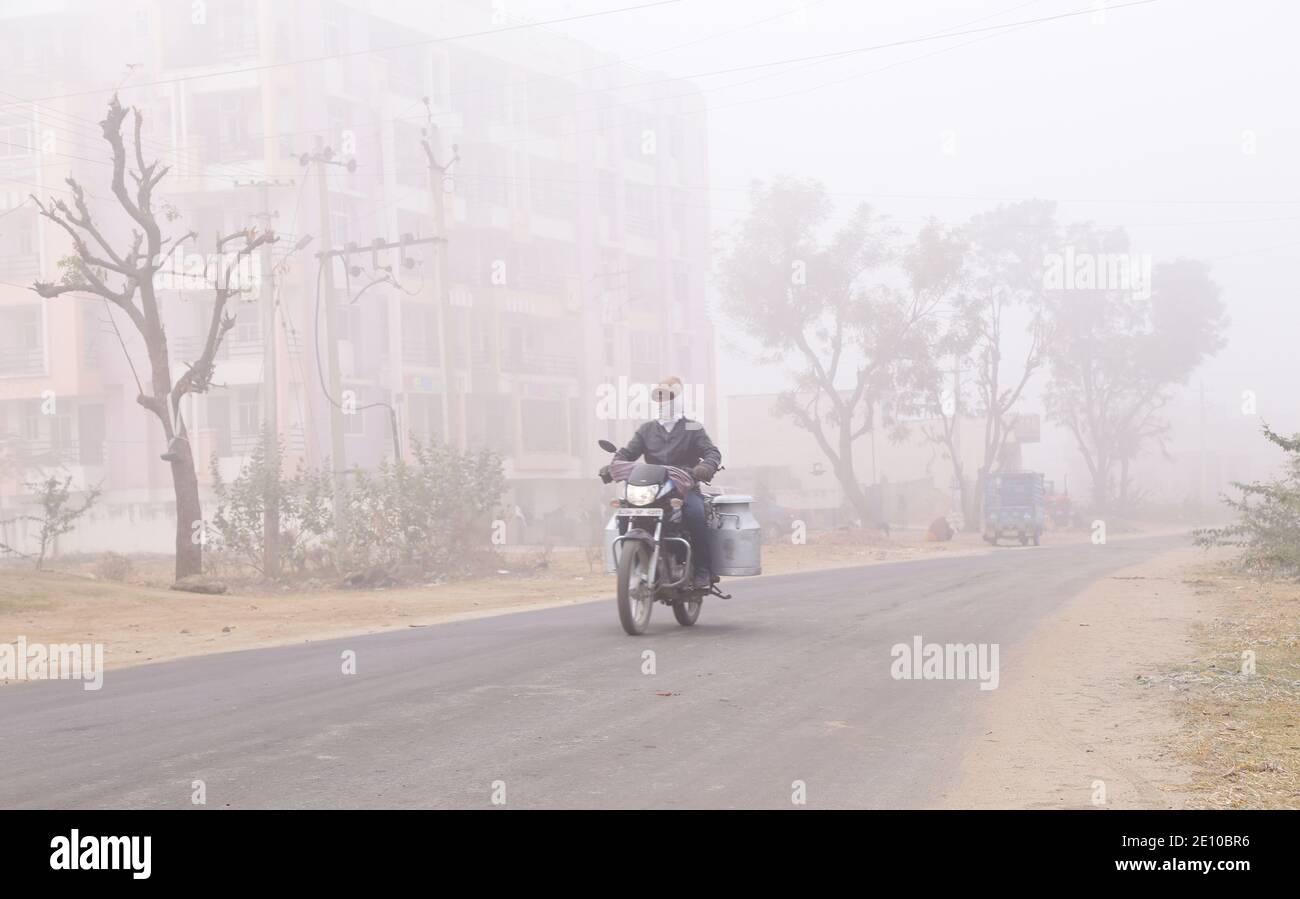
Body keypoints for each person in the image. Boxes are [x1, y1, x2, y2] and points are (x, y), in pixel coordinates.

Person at [600, 375, 721, 589]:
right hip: (653, 487)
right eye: (660, 397)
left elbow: (711, 452)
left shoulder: (693, 427)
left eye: (669, 397)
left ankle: (703, 571)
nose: (664, 401)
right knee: (625, 513)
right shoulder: (646, 429)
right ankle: (635, 565)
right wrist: (612, 467)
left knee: (695, 514)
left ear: (680, 400)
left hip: (685, 486)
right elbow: (628, 453)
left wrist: (705, 467)